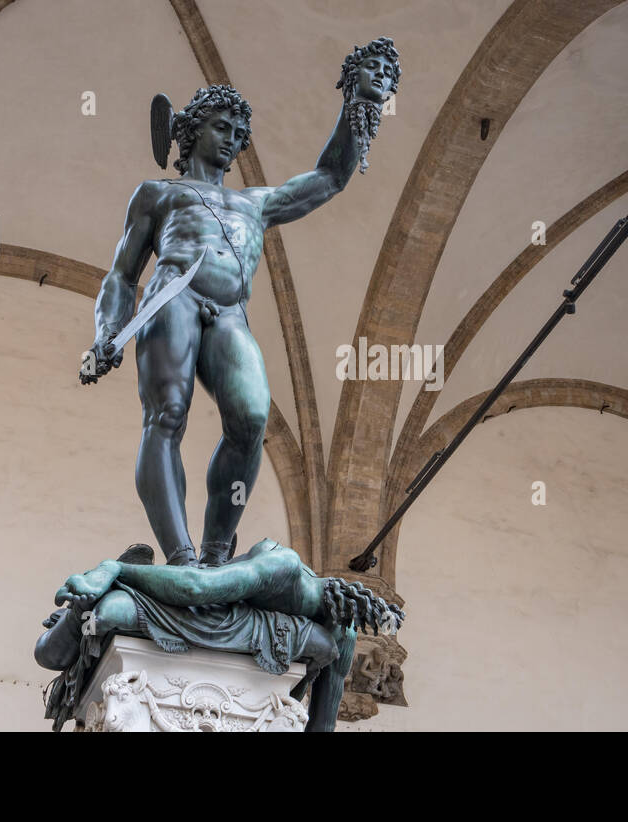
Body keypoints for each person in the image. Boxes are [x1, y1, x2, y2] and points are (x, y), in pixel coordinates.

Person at [79, 38, 402, 570]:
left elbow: (330, 178)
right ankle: (181, 557)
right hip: (172, 298)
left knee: (251, 420)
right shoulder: (160, 194)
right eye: (220, 127)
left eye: (237, 132)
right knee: (167, 415)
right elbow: (120, 274)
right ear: (192, 130)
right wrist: (107, 331)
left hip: (230, 314)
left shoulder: (257, 204)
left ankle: (214, 553)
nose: (231, 139)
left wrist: (356, 103)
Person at [36, 539, 403, 732]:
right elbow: (197, 588)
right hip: (204, 602)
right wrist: (113, 571)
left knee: (98, 621)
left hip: (229, 623)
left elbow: (322, 724)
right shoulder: (286, 571)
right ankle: (116, 572)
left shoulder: (339, 635)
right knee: (92, 625)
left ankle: (114, 582)